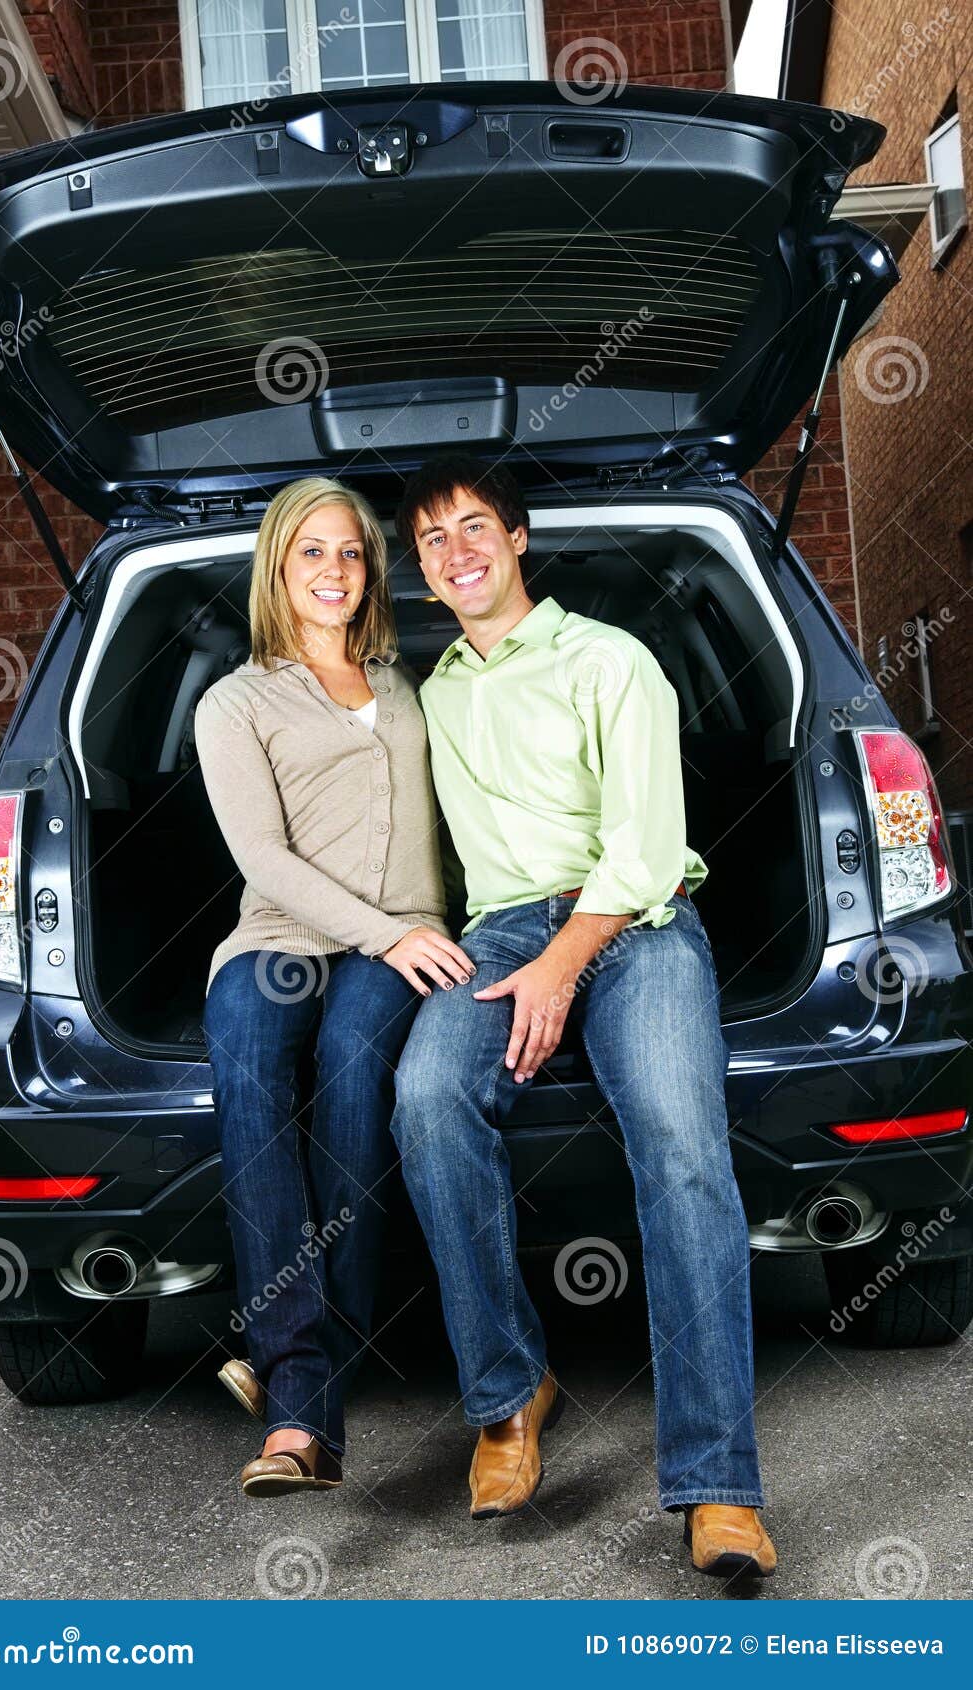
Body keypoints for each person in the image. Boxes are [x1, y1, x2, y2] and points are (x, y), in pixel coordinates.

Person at [388, 453, 777, 1579]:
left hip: (638, 920)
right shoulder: (437, 689)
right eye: (430, 540)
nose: (455, 551)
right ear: (419, 572)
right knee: (423, 1098)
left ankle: (718, 1488)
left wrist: (562, 966)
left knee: (679, 1141)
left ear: (517, 540)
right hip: (500, 931)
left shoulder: (613, 659)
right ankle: (510, 1395)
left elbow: (648, 847)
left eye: (474, 528)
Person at [195, 475, 474, 1500]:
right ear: (278, 564)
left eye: (350, 551)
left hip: (398, 945)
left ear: (370, 570)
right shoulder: (235, 701)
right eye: (310, 551)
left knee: (356, 1076)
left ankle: (293, 1390)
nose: (333, 570)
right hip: (279, 937)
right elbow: (261, 855)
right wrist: (387, 930)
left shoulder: (410, 683)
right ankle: (303, 1394)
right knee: (254, 1074)